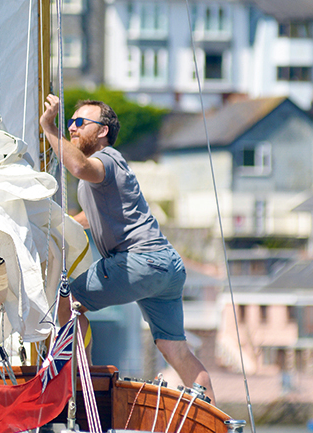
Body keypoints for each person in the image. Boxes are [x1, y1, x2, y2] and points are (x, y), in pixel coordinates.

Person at [40, 93, 214, 399]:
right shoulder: (99, 178)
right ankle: (220, 431)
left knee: (66, 302)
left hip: (141, 261)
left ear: (103, 131)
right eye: (69, 124)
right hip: (166, 266)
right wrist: (55, 223)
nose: (72, 128)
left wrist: (49, 128)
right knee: (175, 350)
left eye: (80, 122)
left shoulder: (107, 159)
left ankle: (86, 390)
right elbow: (91, 218)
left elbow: (79, 167)